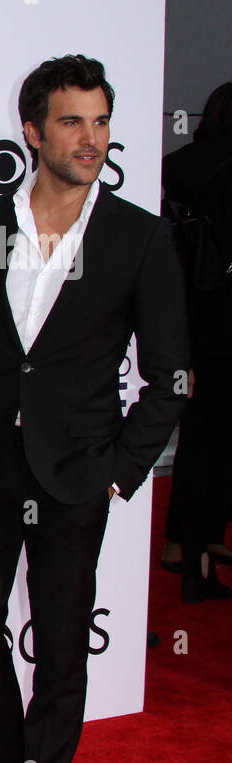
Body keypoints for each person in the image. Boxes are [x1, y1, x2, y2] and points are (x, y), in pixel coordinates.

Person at [0, 55, 188, 763]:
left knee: (60, 647)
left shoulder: (139, 237)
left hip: (75, 474)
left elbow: (172, 377)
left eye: (99, 122)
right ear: (32, 131)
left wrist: (119, 472)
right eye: (71, 121)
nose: (90, 139)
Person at [159, 81, 232, 602]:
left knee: (199, 434)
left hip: (185, 314)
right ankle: (200, 550)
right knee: (217, 440)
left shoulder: (179, 163)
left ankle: (180, 547)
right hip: (224, 313)